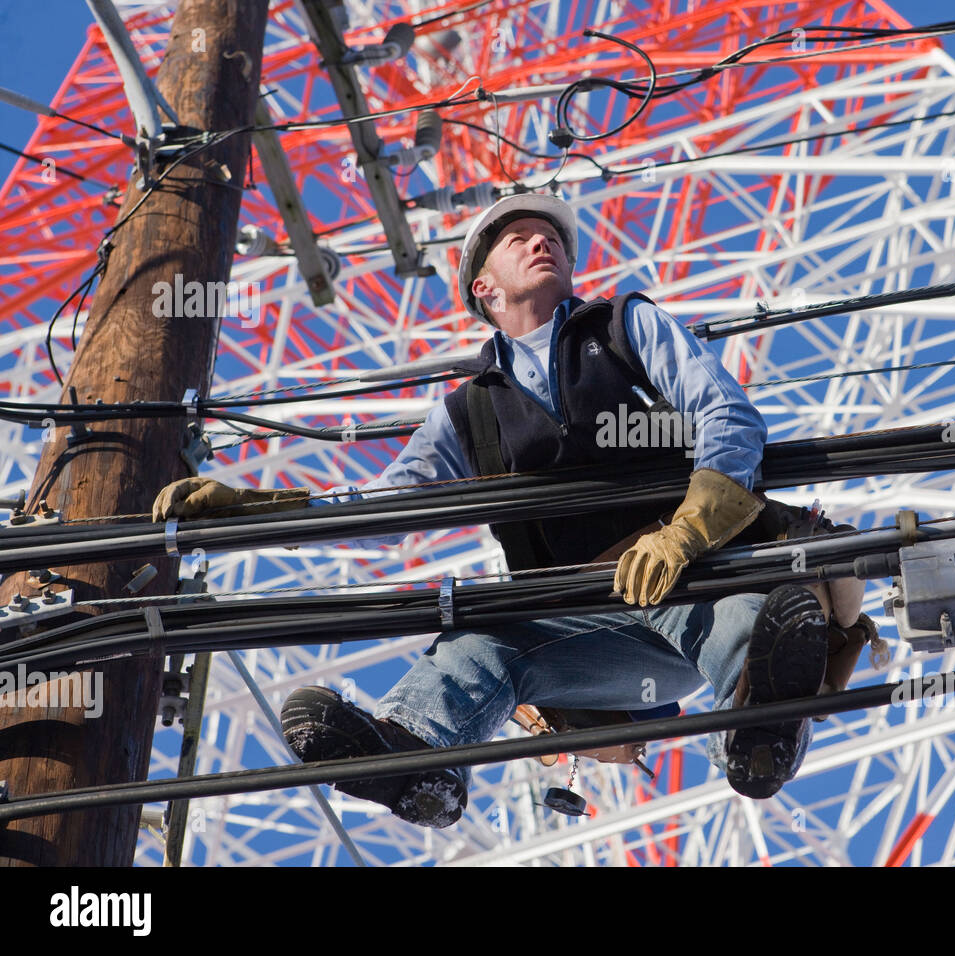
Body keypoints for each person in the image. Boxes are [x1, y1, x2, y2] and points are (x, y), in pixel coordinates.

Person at [153, 193, 867, 828]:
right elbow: (390, 505)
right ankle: (417, 760)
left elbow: (727, 416)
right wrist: (256, 510)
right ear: (483, 287)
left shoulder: (622, 326)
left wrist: (685, 534)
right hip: (594, 624)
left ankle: (760, 733)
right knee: (480, 637)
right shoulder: (470, 412)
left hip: (697, 580)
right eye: (518, 235)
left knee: (739, 606)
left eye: (550, 233)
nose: (542, 239)